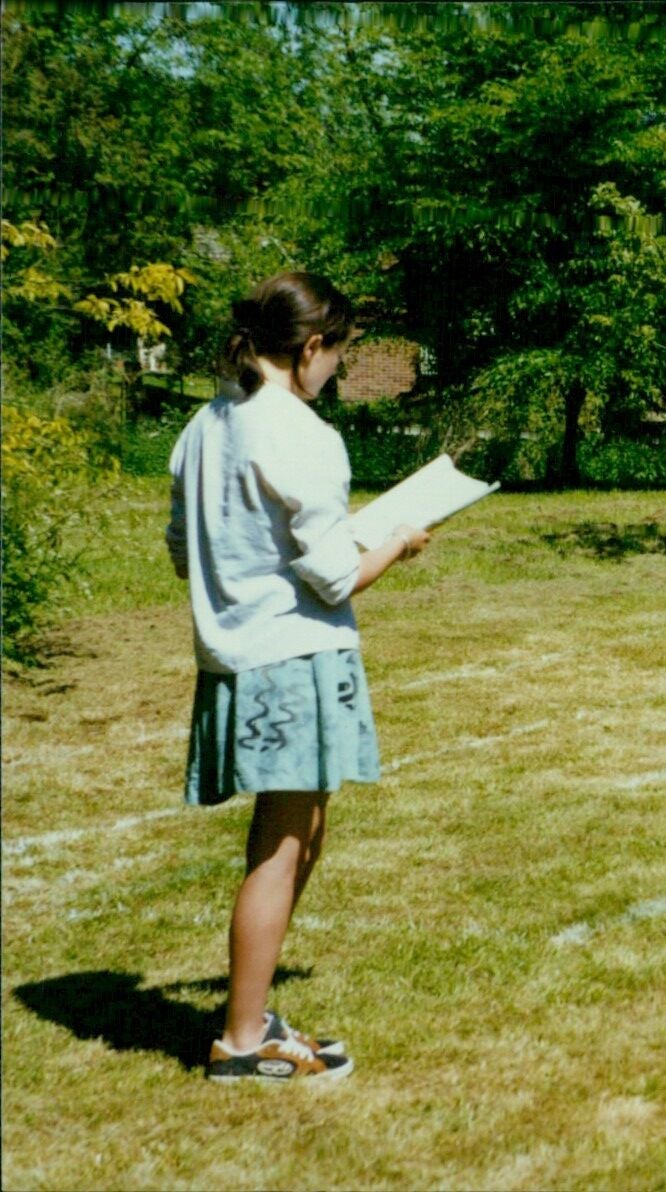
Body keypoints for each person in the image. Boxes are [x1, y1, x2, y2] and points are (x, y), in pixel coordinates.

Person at [166, 272, 432, 1082]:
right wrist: (397, 543)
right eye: (337, 359)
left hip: (240, 653)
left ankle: (251, 1015)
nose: (337, 375)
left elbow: (184, 548)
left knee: (299, 834)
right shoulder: (300, 432)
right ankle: (242, 1042)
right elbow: (334, 580)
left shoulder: (206, 424)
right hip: (290, 657)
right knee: (282, 846)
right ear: (311, 348)